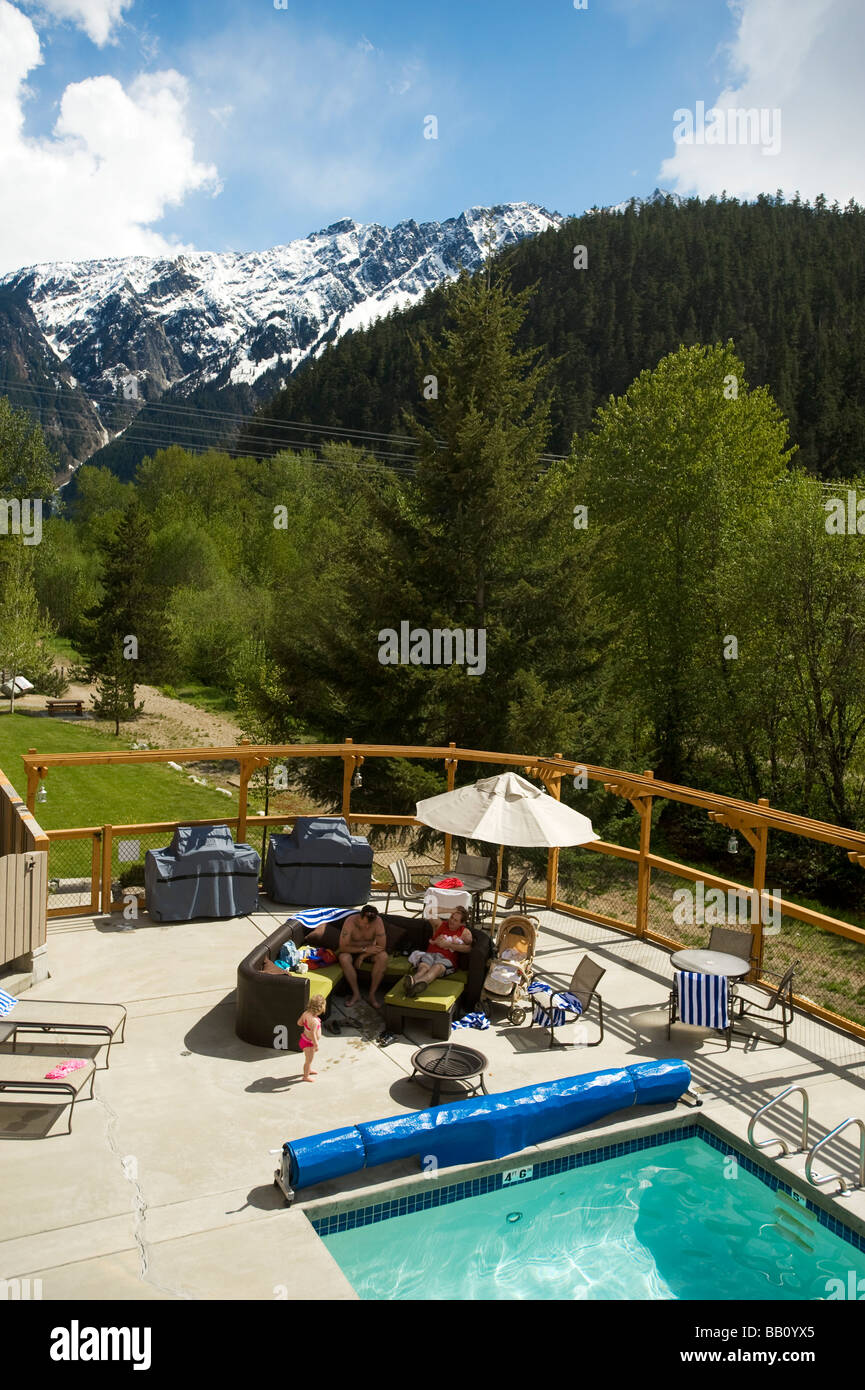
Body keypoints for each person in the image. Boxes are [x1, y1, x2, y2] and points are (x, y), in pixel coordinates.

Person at [405, 905, 472, 996]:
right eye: (451, 917)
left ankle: (413, 984)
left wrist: (448, 945)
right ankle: (413, 984)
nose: (451, 921)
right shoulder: (440, 924)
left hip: (446, 959)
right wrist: (451, 909)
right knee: (423, 968)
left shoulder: (464, 932)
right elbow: (428, 911)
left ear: (462, 923)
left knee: (436, 968)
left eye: (455, 920)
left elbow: (469, 948)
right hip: (431, 954)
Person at [338, 904, 389, 1008]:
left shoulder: (378, 921)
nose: (367, 926)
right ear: (360, 916)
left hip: (369, 952)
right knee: (343, 958)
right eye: (365, 923)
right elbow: (343, 947)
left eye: (370, 924)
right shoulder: (350, 922)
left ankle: (372, 995)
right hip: (351, 949)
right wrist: (364, 949)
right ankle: (356, 994)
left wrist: (363, 956)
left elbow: (382, 946)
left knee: (383, 957)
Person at [297, 995, 325, 1081]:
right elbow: (313, 1034)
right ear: (321, 1008)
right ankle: (305, 1076)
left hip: (304, 1039)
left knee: (308, 1059)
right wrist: (316, 1044)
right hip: (309, 1043)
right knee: (308, 1060)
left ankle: (308, 1070)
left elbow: (299, 1023)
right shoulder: (314, 1021)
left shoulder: (305, 1014)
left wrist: (306, 1026)